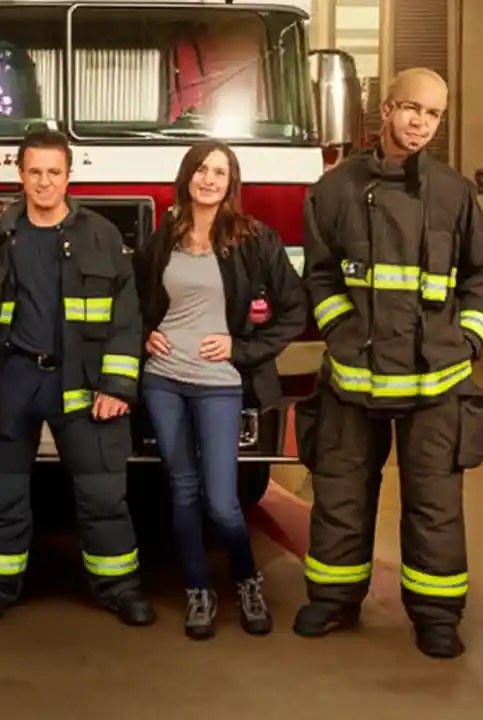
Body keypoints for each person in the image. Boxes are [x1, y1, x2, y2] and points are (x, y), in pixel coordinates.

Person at [293, 67, 483, 658]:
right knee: (341, 491)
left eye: (432, 114)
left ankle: (436, 615)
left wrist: (468, 340)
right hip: (354, 377)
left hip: (437, 381)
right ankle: (333, 600)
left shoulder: (455, 193)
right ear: (385, 110)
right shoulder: (334, 190)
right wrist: (338, 329)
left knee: (434, 503)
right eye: (411, 109)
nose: (419, 123)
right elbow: (322, 274)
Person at [0, 129, 153, 627]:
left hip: (82, 384)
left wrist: (117, 386)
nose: (44, 182)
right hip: (13, 381)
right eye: (35, 172)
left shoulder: (101, 236)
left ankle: (120, 589)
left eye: (54, 172)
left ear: (69, 175)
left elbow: (127, 319)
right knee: (1, 493)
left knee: (103, 493)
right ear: (20, 175)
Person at [135, 140, 306, 640]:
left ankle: (246, 580)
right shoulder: (163, 237)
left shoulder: (254, 240)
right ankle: (198, 590)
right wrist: (146, 334)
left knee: (222, 501)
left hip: (220, 386)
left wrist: (241, 348)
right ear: (187, 175)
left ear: (231, 183)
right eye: (202, 170)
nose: (209, 179)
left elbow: (294, 309)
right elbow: (138, 298)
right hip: (164, 379)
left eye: (220, 172)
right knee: (181, 493)